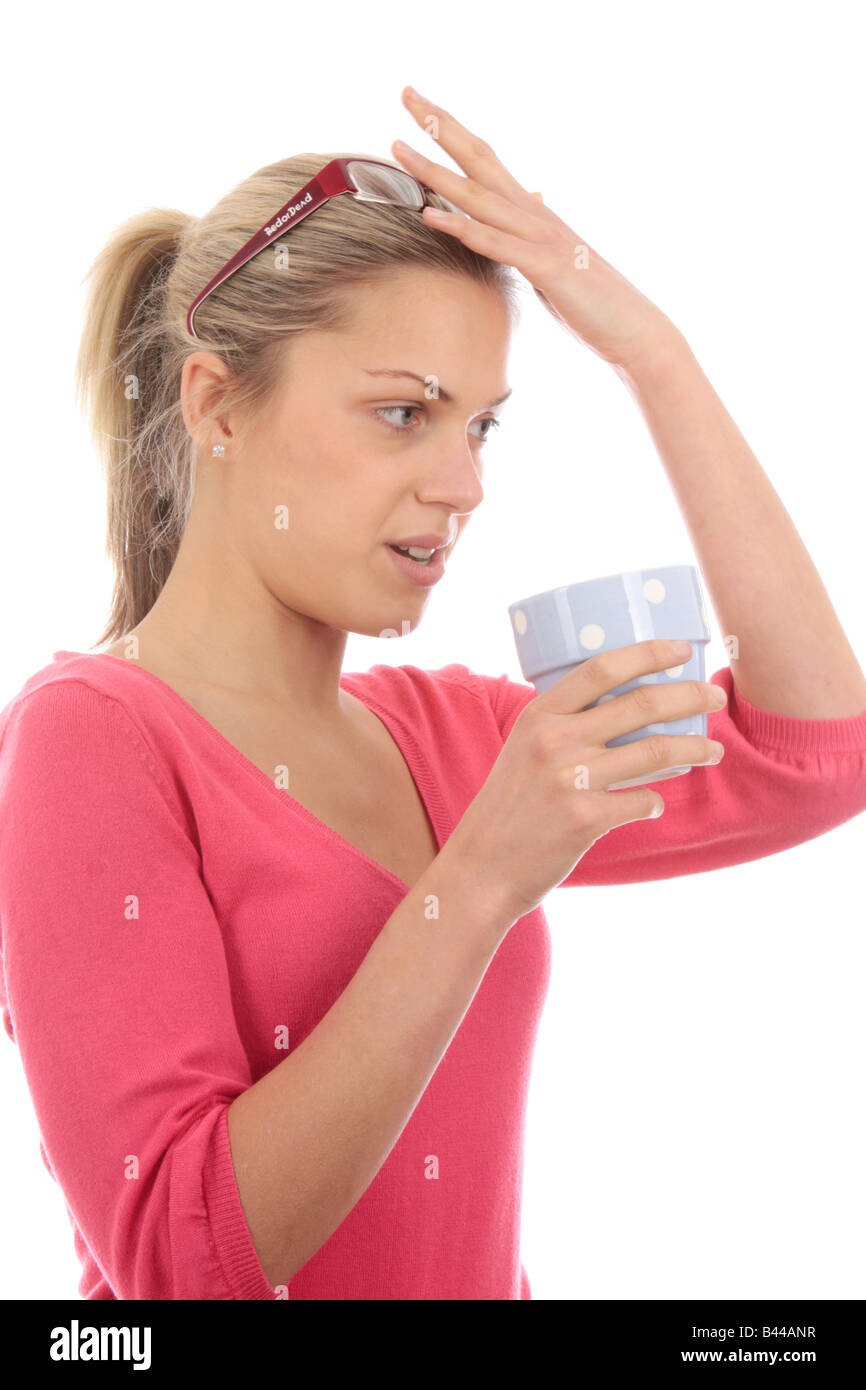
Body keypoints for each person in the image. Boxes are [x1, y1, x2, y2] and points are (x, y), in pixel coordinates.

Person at [2, 88, 865, 1301]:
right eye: (402, 413)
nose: (462, 485)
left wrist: (646, 350)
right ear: (213, 407)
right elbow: (181, 1261)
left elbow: (814, 753)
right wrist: (472, 886)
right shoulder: (90, 737)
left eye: (481, 429)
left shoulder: (442, 738)